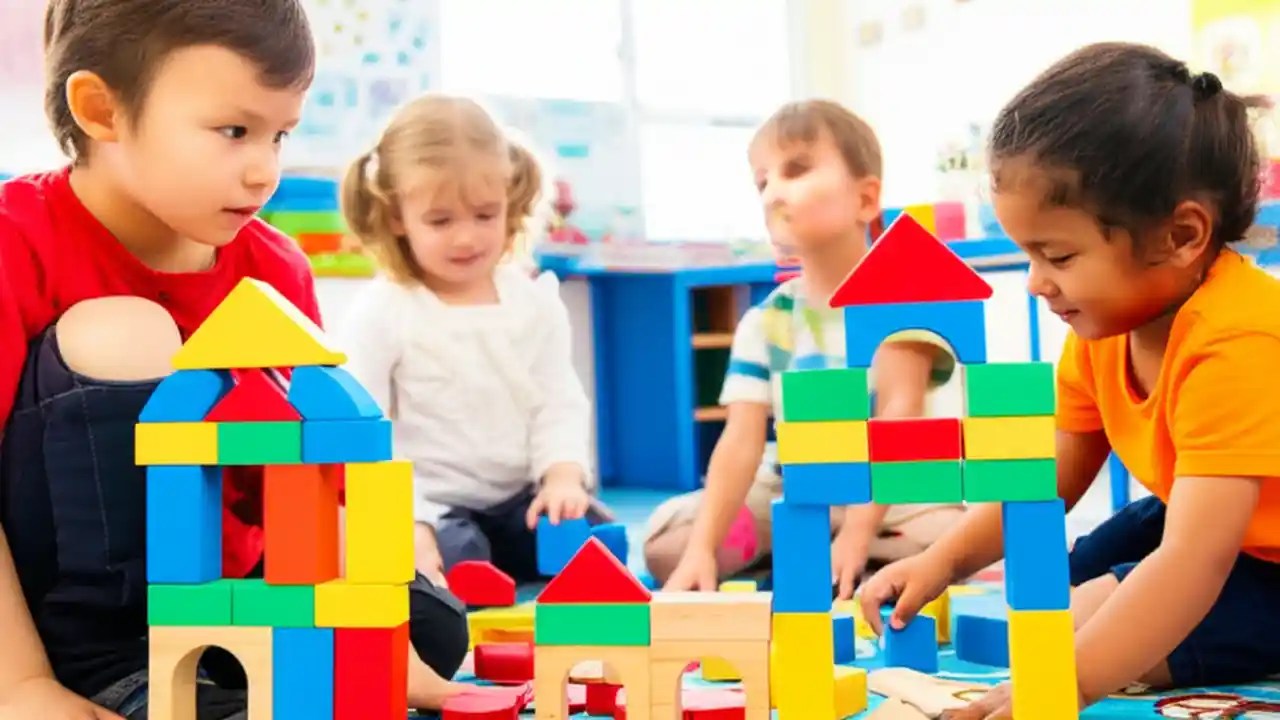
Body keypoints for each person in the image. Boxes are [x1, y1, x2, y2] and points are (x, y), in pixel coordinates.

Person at [0, 3, 470, 718]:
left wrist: (381, 637)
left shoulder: (273, 270)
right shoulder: (18, 241)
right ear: (102, 110)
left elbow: (310, 476)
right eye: (234, 132)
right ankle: (115, 670)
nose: (265, 172)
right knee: (127, 332)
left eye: (280, 134)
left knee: (430, 625)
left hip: (223, 584)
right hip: (68, 609)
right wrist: (20, 686)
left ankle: (225, 671)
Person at [859, 42, 1280, 717]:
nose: (1034, 282)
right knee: (1063, 590)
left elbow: (1196, 561)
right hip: (1220, 522)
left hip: (1257, 555)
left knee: (1093, 626)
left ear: (1181, 235)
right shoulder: (1102, 333)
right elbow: (1042, 485)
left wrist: (1067, 685)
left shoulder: (1241, 339)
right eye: (1027, 253)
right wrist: (941, 562)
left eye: (1057, 254)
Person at [648, 100, 965, 599]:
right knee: (668, 548)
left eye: (795, 170)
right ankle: (808, 551)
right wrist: (703, 549)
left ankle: (845, 554)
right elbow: (741, 441)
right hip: (790, 493)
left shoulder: (898, 303)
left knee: (954, 542)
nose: (774, 192)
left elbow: (899, 415)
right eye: (762, 181)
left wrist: (859, 533)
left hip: (890, 498)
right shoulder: (767, 320)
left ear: (865, 199)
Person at [339, 94, 606, 586]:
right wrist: (408, 521)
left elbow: (558, 400)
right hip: (438, 507)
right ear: (397, 216)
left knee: (590, 541)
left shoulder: (535, 303)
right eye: (441, 221)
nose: (467, 239)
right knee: (454, 565)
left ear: (510, 200)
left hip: (523, 499)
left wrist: (562, 473)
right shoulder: (386, 309)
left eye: (485, 215)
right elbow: (363, 434)